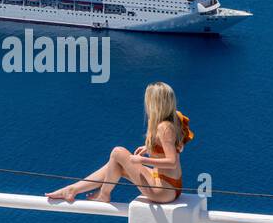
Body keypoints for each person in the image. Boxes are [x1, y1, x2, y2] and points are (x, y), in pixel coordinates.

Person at [44, 81, 192, 204]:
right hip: (169, 185)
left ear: (155, 104)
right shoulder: (174, 118)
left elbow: (172, 161)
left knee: (117, 152)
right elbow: (171, 146)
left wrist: (142, 159)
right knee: (115, 167)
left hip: (163, 191)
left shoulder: (164, 127)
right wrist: (149, 147)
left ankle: (104, 194)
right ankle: (73, 189)